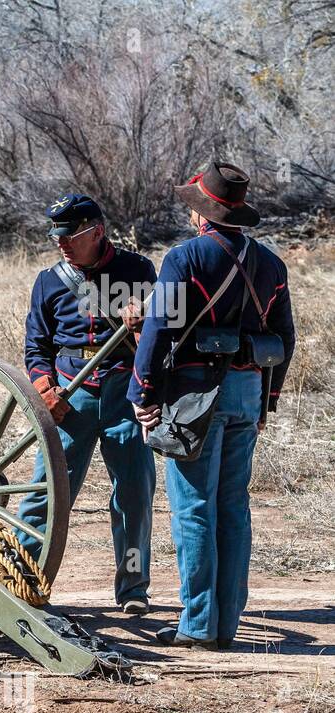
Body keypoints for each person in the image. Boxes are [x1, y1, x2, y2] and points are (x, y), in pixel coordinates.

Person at [130, 163, 295, 650]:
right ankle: (226, 625)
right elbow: (284, 339)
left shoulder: (185, 259)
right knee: (233, 508)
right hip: (247, 393)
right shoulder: (271, 264)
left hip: (194, 396)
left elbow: (159, 329)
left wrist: (142, 392)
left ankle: (198, 625)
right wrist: (269, 399)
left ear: (201, 215)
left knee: (193, 510)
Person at [16, 194, 158, 614]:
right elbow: (36, 346)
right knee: (48, 492)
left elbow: (161, 340)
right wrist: (45, 388)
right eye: (55, 235)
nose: (61, 243)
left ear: (96, 231)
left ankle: (133, 591)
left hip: (124, 392)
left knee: (133, 494)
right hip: (70, 395)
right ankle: (23, 580)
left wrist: (139, 327)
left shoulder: (137, 271)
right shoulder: (49, 280)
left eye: (70, 235)